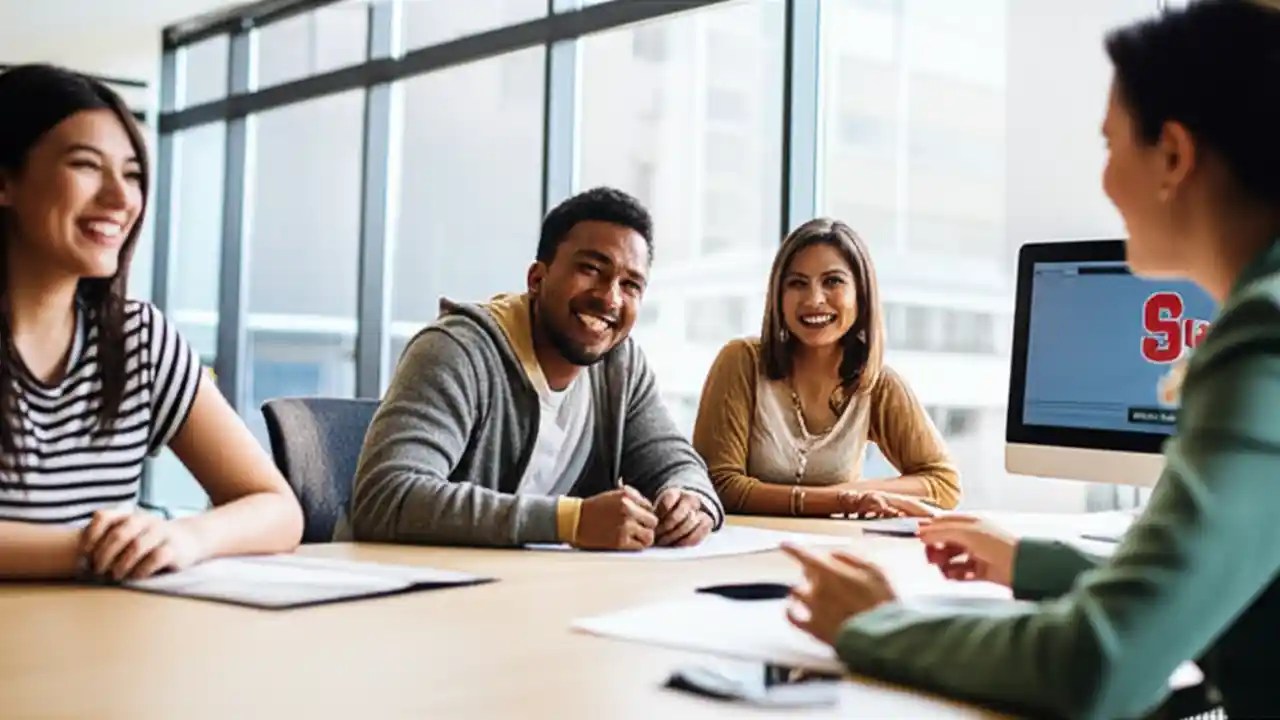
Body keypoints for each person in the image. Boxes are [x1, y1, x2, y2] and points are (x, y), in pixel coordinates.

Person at [781, 1, 1280, 717]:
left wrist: (873, 625)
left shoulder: (1264, 332)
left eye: (1110, 146)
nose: (1105, 182)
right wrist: (1028, 561)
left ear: (1173, 155)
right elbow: (1210, 586)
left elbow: (1096, 662)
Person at [0, 64, 303, 581]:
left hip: (103, 646)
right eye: (86, 166)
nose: (121, 200)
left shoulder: (139, 339)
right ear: (5, 181)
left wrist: (183, 537)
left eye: (133, 174)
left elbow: (277, 508)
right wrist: (98, 550)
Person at [347, 187, 723, 549]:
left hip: (536, 590)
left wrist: (691, 501)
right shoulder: (457, 350)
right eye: (591, 269)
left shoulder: (620, 365)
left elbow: (676, 462)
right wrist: (570, 521)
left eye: (631, 285)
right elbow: (386, 496)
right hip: (412, 590)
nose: (610, 297)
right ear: (537, 279)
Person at [692, 218, 960, 518]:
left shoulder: (877, 383)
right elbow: (720, 486)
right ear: (778, 297)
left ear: (861, 294)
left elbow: (943, 483)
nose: (814, 299)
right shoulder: (740, 362)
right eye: (797, 283)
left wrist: (858, 494)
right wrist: (840, 502)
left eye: (833, 281)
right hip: (740, 554)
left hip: (831, 548)